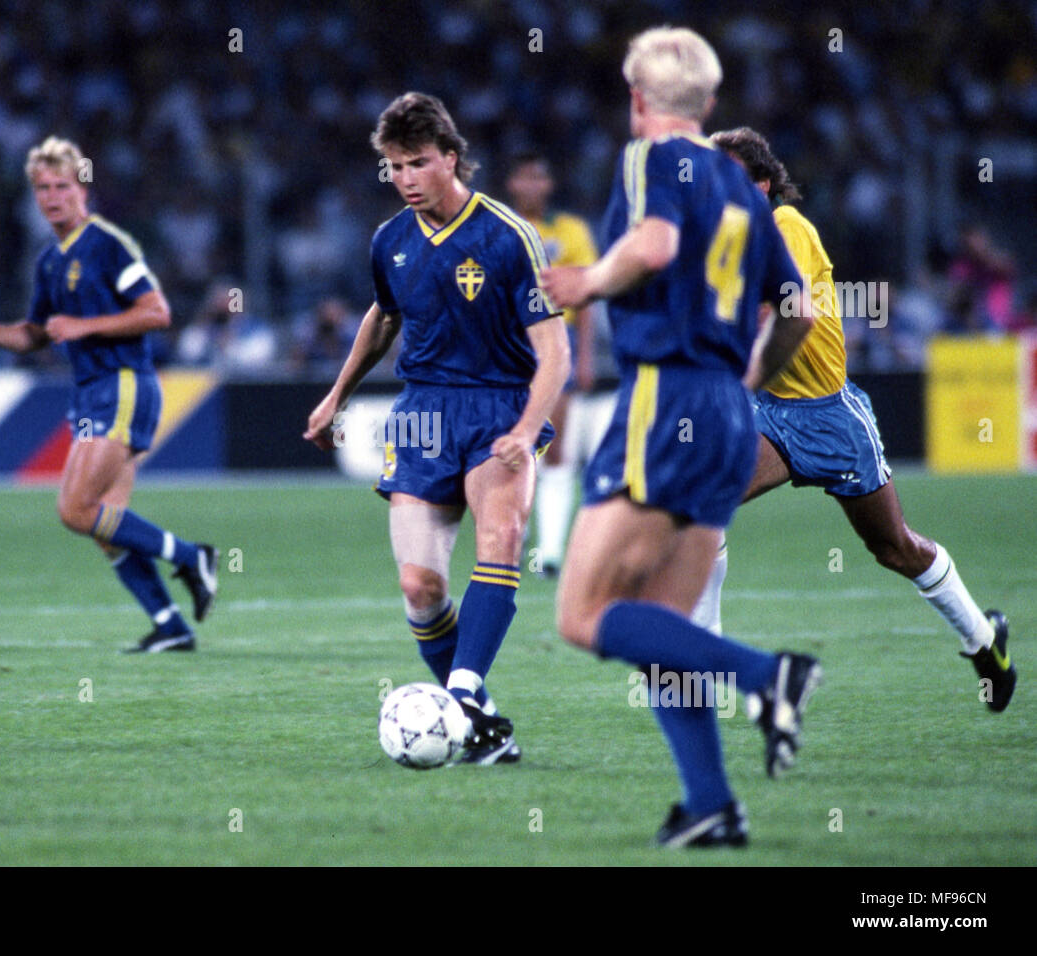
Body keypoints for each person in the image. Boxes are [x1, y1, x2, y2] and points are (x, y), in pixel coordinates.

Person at [543, 27, 820, 847]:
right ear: (707, 102)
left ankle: (769, 676)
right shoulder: (741, 187)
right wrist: (750, 382)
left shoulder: (652, 160)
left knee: (584, 615)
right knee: (670, 629)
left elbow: (655, 244)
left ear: (638, 100)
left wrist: (588, 281)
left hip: (664, 400)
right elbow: (798, 308)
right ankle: (711, 805)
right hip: (730, 412)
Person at [692, 126, 1015, 711]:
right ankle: (710, 674)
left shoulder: (786, 226)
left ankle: (982, 639)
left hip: (830, 416)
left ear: (761, 185)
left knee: (894, 548)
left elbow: (787, 310)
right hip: (771, 414)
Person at [304, 92, 570, 764]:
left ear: (451, 158)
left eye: (418, 163)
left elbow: (555, 350)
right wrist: (337, 394)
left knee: (502, 536)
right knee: (420, 588)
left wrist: (529, 427)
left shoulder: (508, 236)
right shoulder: (390, 241)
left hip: (499, 405)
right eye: (394, 166)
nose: (405, 178)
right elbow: (383, 316)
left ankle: (463, 691)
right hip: (423, 412)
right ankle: (476, 723)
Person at [0, 136, 218, 653]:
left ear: (82, 189)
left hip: (123, 385)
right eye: (42, 189)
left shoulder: (109, 244)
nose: (52, 197)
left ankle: (191, 556)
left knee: (74, 509)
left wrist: (84, 326)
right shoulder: (49, 262)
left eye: (61, 186)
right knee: (105, 526)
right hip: (91, 393)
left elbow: (157, 312)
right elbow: (35, 335)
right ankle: (171, 625)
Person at [504, 152, 600, 578]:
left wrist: (585, 358)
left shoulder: (571, 230)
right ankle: (511, 532)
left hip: (557, 345)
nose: (531, 185)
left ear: (549, 184)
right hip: (509, 347)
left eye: (539, 176)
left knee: (555, 447)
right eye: (524, 177)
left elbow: (587, 295)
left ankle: (551, 551)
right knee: (509, 443)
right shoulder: (499, 227)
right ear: (511, 184)